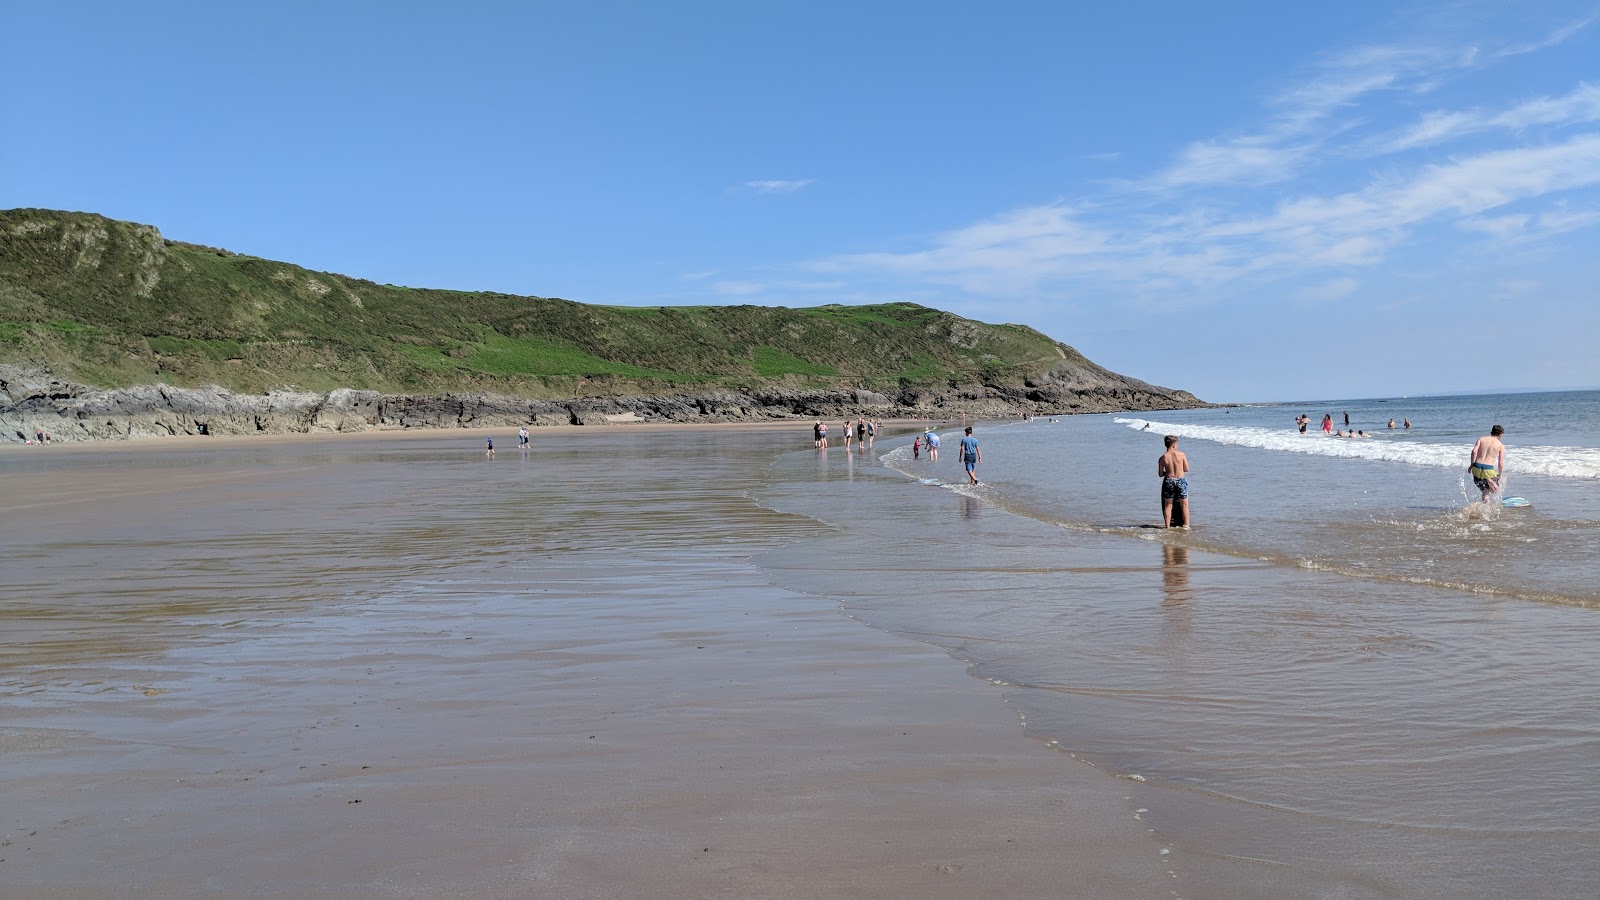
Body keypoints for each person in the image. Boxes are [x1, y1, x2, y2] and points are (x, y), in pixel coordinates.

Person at [1158, 435, 1190, 529]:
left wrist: (1168, 471)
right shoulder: (1181, 454)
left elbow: (1160, 474)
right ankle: (1187, 526)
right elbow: (1186, 469)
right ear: (1174, 445)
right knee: (1184, 505)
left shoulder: (1162, 458)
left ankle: (1167, 527)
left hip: (1169, 481)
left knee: (1168, 505)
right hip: (1180, 480)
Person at [1468, 425, 1506, 502]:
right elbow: (1500, 464)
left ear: (1491, 431)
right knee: (1495, 490)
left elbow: (1474, 451)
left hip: (1476, 468)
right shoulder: (1500, 445)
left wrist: (1471, 465)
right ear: (1500, 435)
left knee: (1485, 491)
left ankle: (1488, 480)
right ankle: (1489, 480)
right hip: (1488, 470)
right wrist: (1500, 476)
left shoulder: (1481, 439)